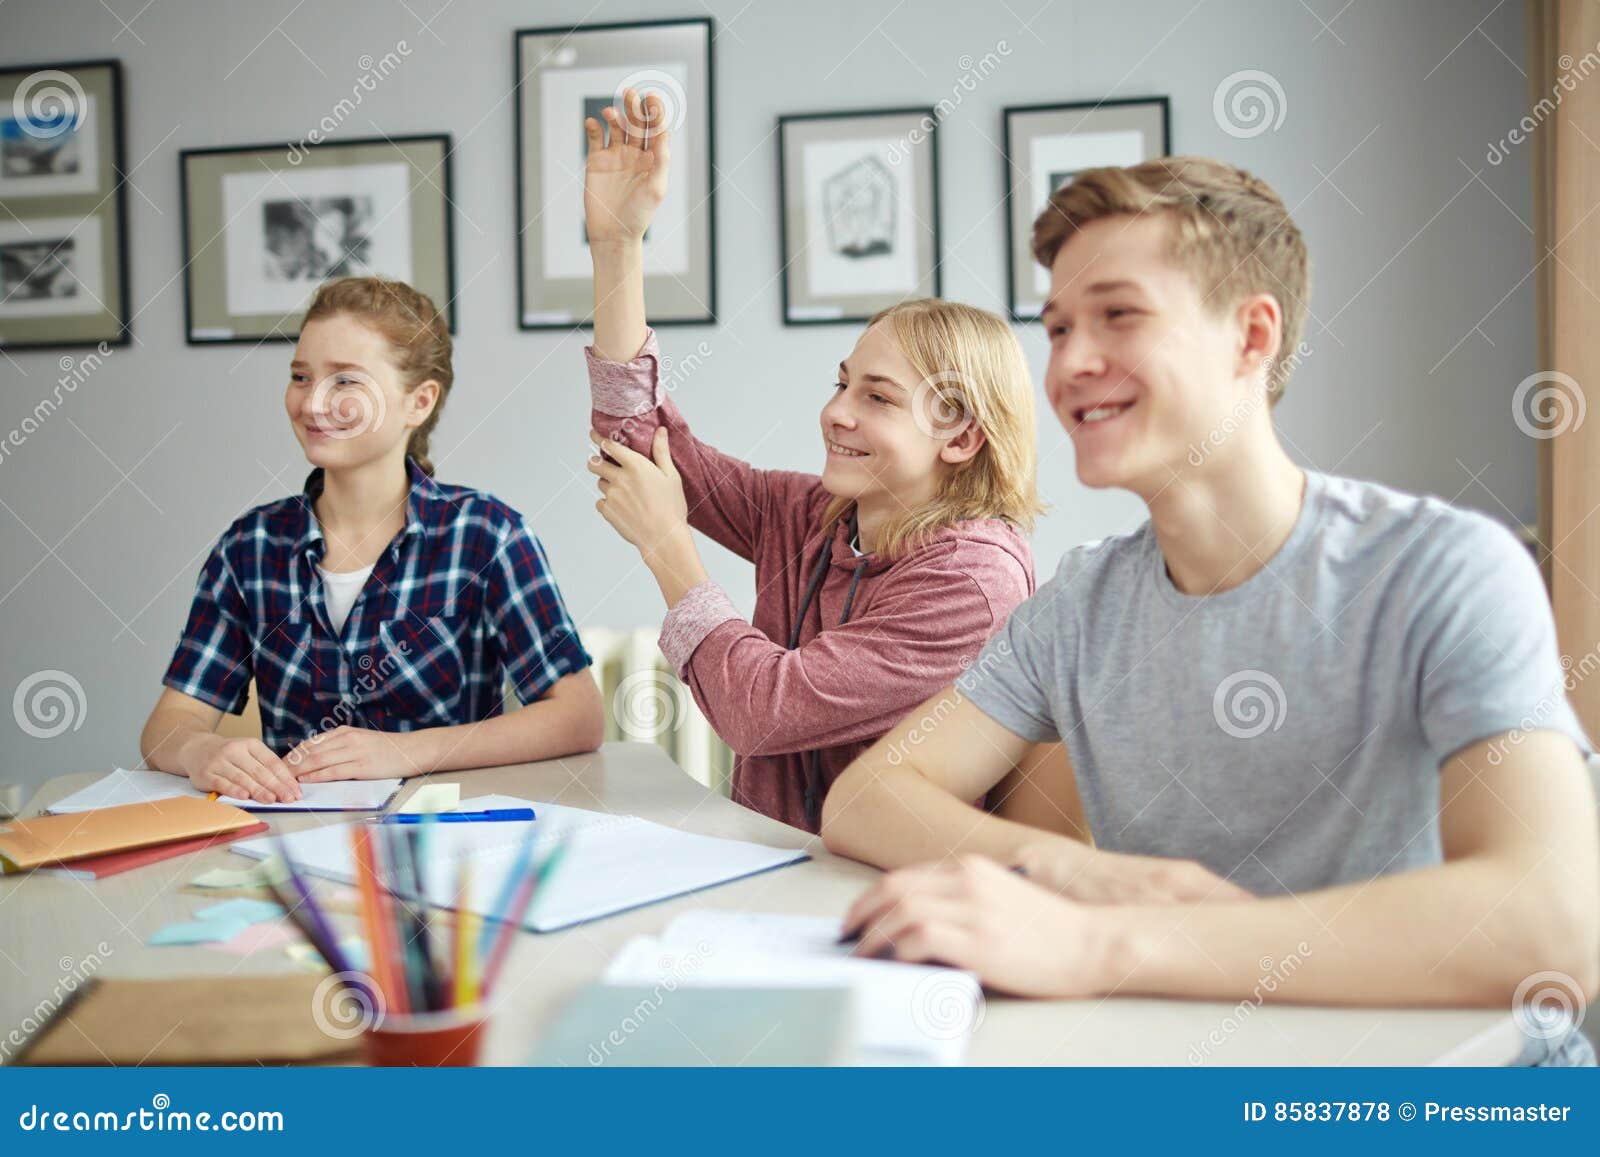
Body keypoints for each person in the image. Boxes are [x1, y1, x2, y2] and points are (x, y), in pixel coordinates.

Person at [822, 157, 1599, 1061]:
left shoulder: (1446, 569)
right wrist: (1084, 874)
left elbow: (1553, 922)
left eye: (1119, 315)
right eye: (1059, 325)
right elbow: (867, 797)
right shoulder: (1080, 604)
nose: (1071, 363)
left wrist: (1101, 940)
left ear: (1250, 337)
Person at [583, 91, 1041, 831]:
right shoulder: (812, 513)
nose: (837, 412)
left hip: (878, 902)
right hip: (775, 872)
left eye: (879, 398)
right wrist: (618, 248)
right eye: (841, 382)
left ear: (960, 438)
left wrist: (668, 545)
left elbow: (763, 713)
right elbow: (639, 440)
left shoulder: (972, 580)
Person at [141, 276, 603, 802]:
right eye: (300, 375)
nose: (313, 403)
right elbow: (169, 725)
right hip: (292, 846)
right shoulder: (249, 547)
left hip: (446, 844)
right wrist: (200, 751)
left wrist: (405, 751)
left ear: (418, 402)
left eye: (345, 381)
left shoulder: (487, 536)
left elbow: (579, 716)